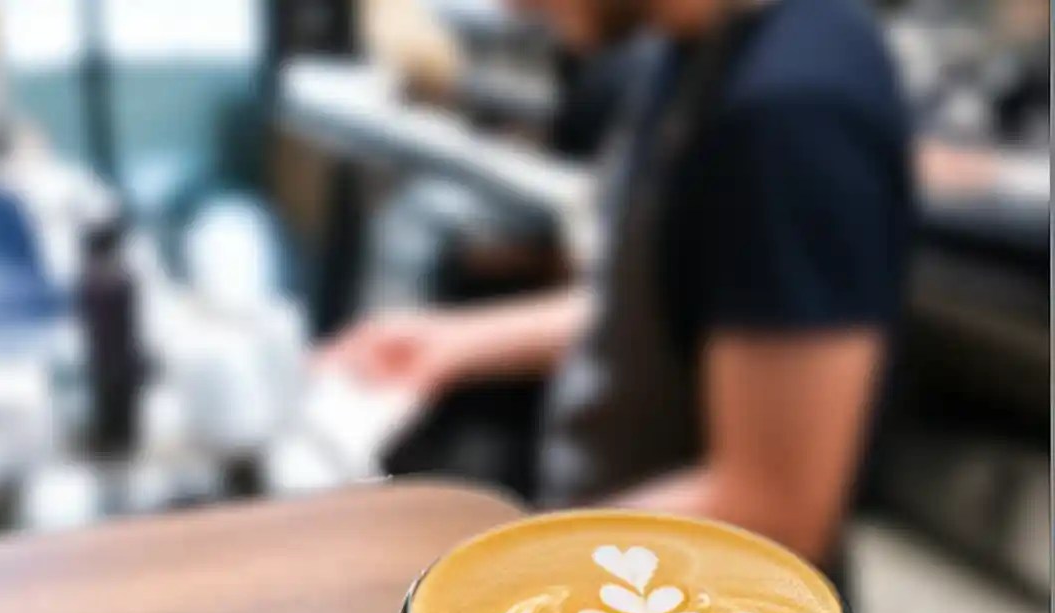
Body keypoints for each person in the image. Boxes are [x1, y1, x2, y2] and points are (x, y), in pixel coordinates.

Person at [321, 0, 912, 578]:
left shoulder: (795, 110)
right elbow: (667, 301)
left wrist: (506, 575)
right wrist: (456, 342)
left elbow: (774, 510)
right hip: (617, 570)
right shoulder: (690, 54)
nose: (512, 9)